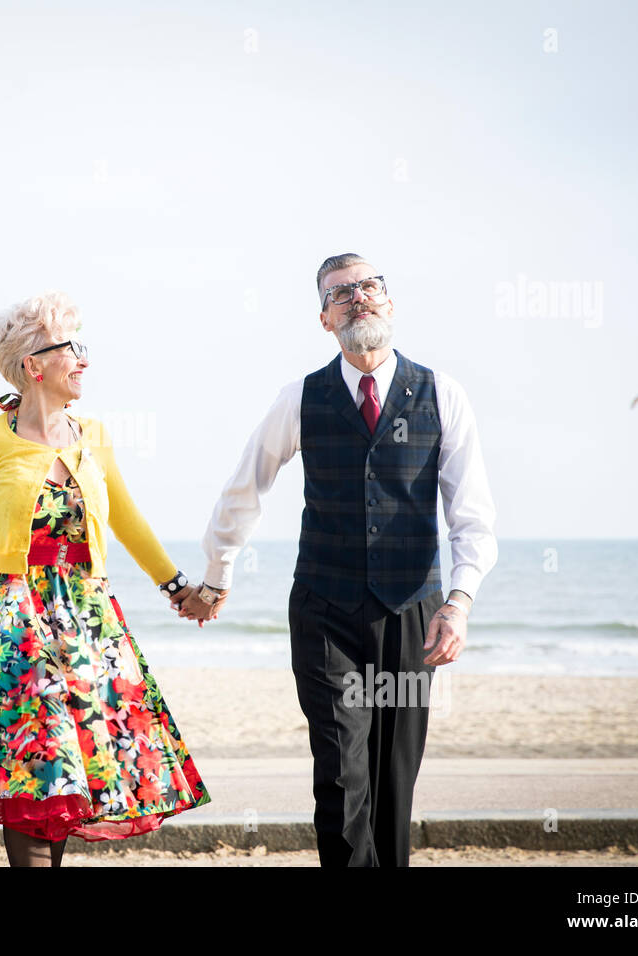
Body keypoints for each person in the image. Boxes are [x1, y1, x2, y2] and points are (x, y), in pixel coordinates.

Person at [178, 253, 498, 866]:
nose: (357, 297)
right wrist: (216, 578)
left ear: (389, 302)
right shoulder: (301, 398)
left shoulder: (441, 394)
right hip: (326, 612)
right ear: (325, 319)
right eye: (339, 293)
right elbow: (245, 489)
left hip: (414, 613)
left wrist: (459, 604)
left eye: (368, 286)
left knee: (392, 779)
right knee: (342, 773)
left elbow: (472, 515)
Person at [0, 290, 211, 867]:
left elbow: (128, 521)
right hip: (8, 624)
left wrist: (176, 585)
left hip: (86, 622)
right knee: (40, 767)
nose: (84, 360)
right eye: (73, 348)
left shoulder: (95, 435)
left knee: (68, 775)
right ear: (33, 364)